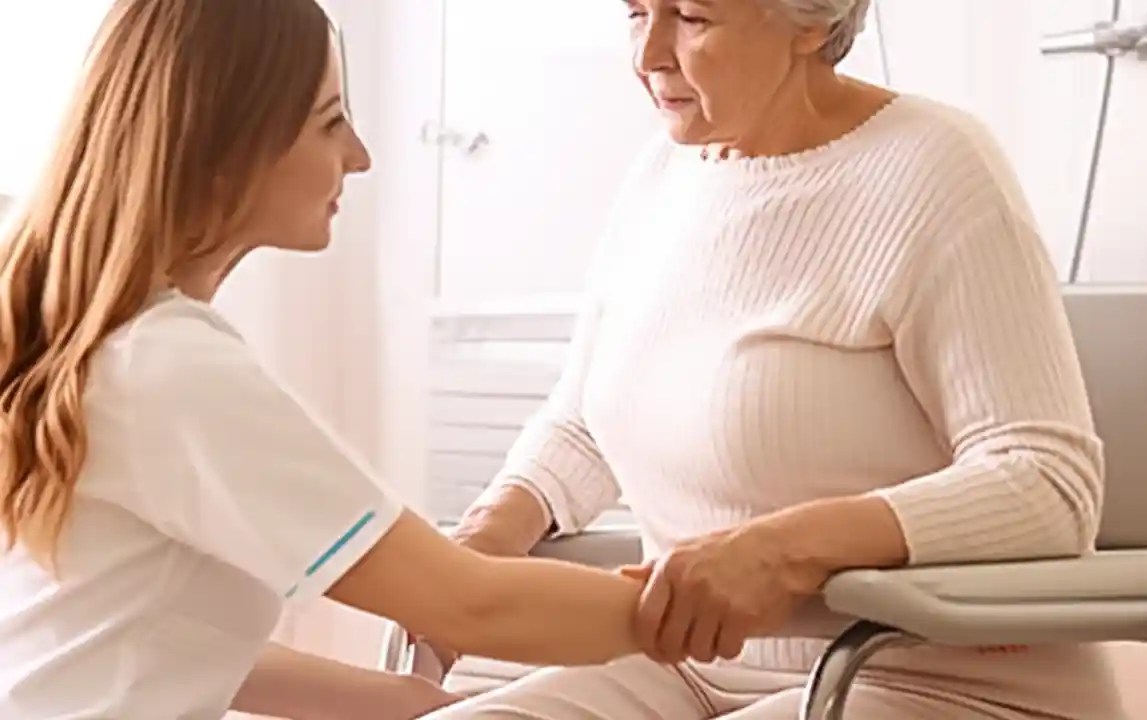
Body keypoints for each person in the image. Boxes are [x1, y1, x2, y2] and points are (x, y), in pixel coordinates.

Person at [424, 0, 1128, 718]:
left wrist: (783, 551)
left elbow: (1048, 482)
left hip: (929, 676)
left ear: (812, 21)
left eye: (692, 18)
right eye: (637, 12)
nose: (649, 55)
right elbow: (584, 424)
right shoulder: (662, 176)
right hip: (688, 667)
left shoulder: (937, 167)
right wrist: (480, 543)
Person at [0, 1, 667, 718]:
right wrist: (731, 599)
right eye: (329, 121)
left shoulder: (105, 343)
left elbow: (142, 634)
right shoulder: (171, 371)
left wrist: (400, 698)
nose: (360, 154)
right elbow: (472, 605)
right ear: (226, 151)